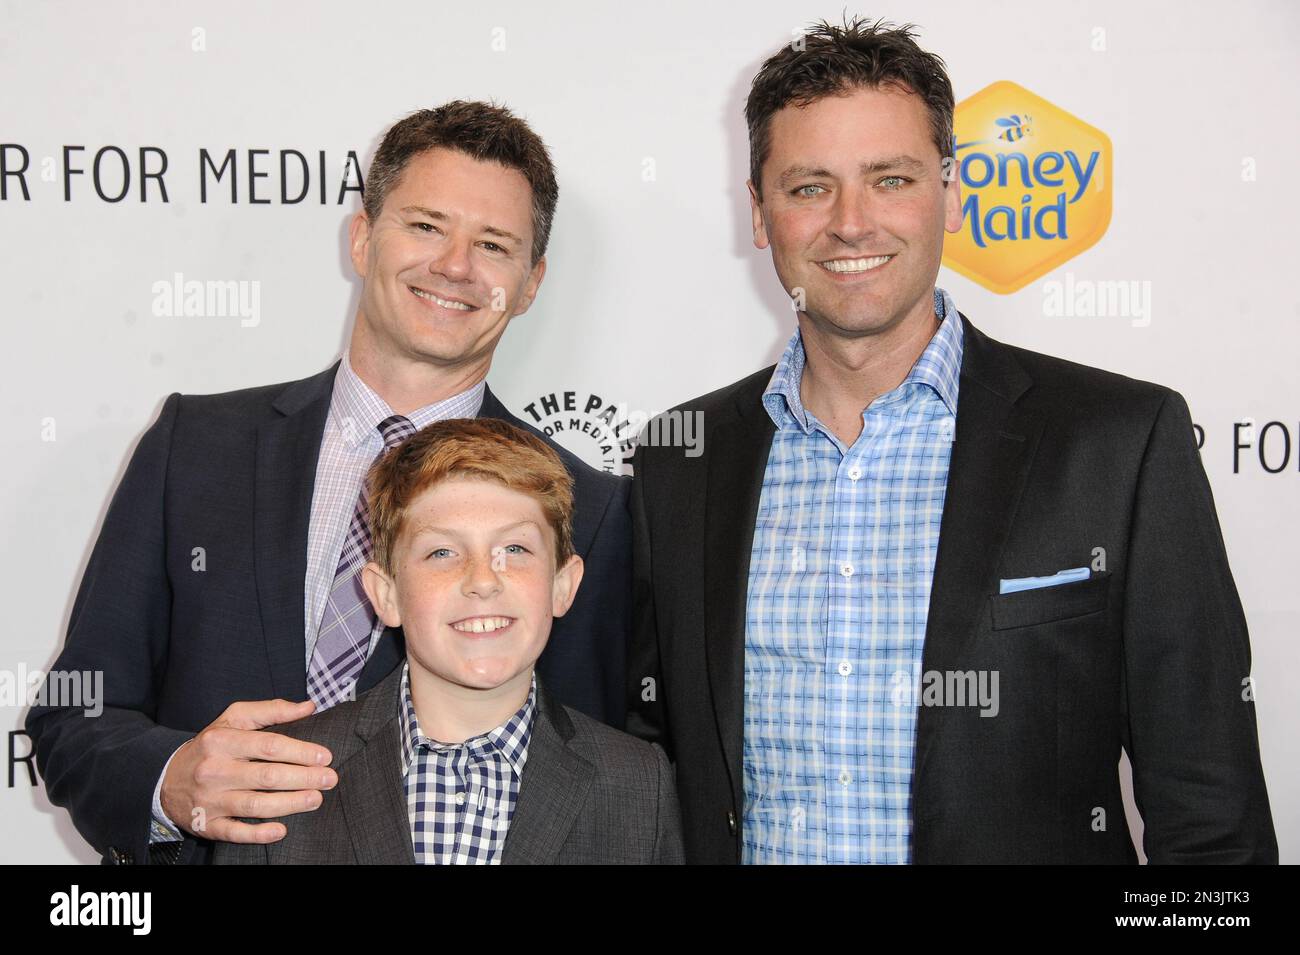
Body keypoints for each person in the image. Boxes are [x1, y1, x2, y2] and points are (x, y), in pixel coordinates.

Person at [625, 17, 1278, 864]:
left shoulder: (1119, 442)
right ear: (761, 213)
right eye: (809, 186)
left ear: (952, 192)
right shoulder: (680, 460)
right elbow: (644, 771)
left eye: (890, 179)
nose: (851, 224)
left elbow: (1211, 815)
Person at [27, 101, 632, 865]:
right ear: (361, 237)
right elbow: (75, 712)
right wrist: (171, 778)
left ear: (532, 279)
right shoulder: (196, 445)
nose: (454, 265)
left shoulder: (588, 508)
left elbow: (584, 777)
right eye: (425, 225)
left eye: (493, 244)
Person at [214, 418, 681, 864]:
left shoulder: (639, 783)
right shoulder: (279, 776)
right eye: (442, 552)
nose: (482, 580)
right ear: (386, 594)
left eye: (514, 549)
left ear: (563, 584)